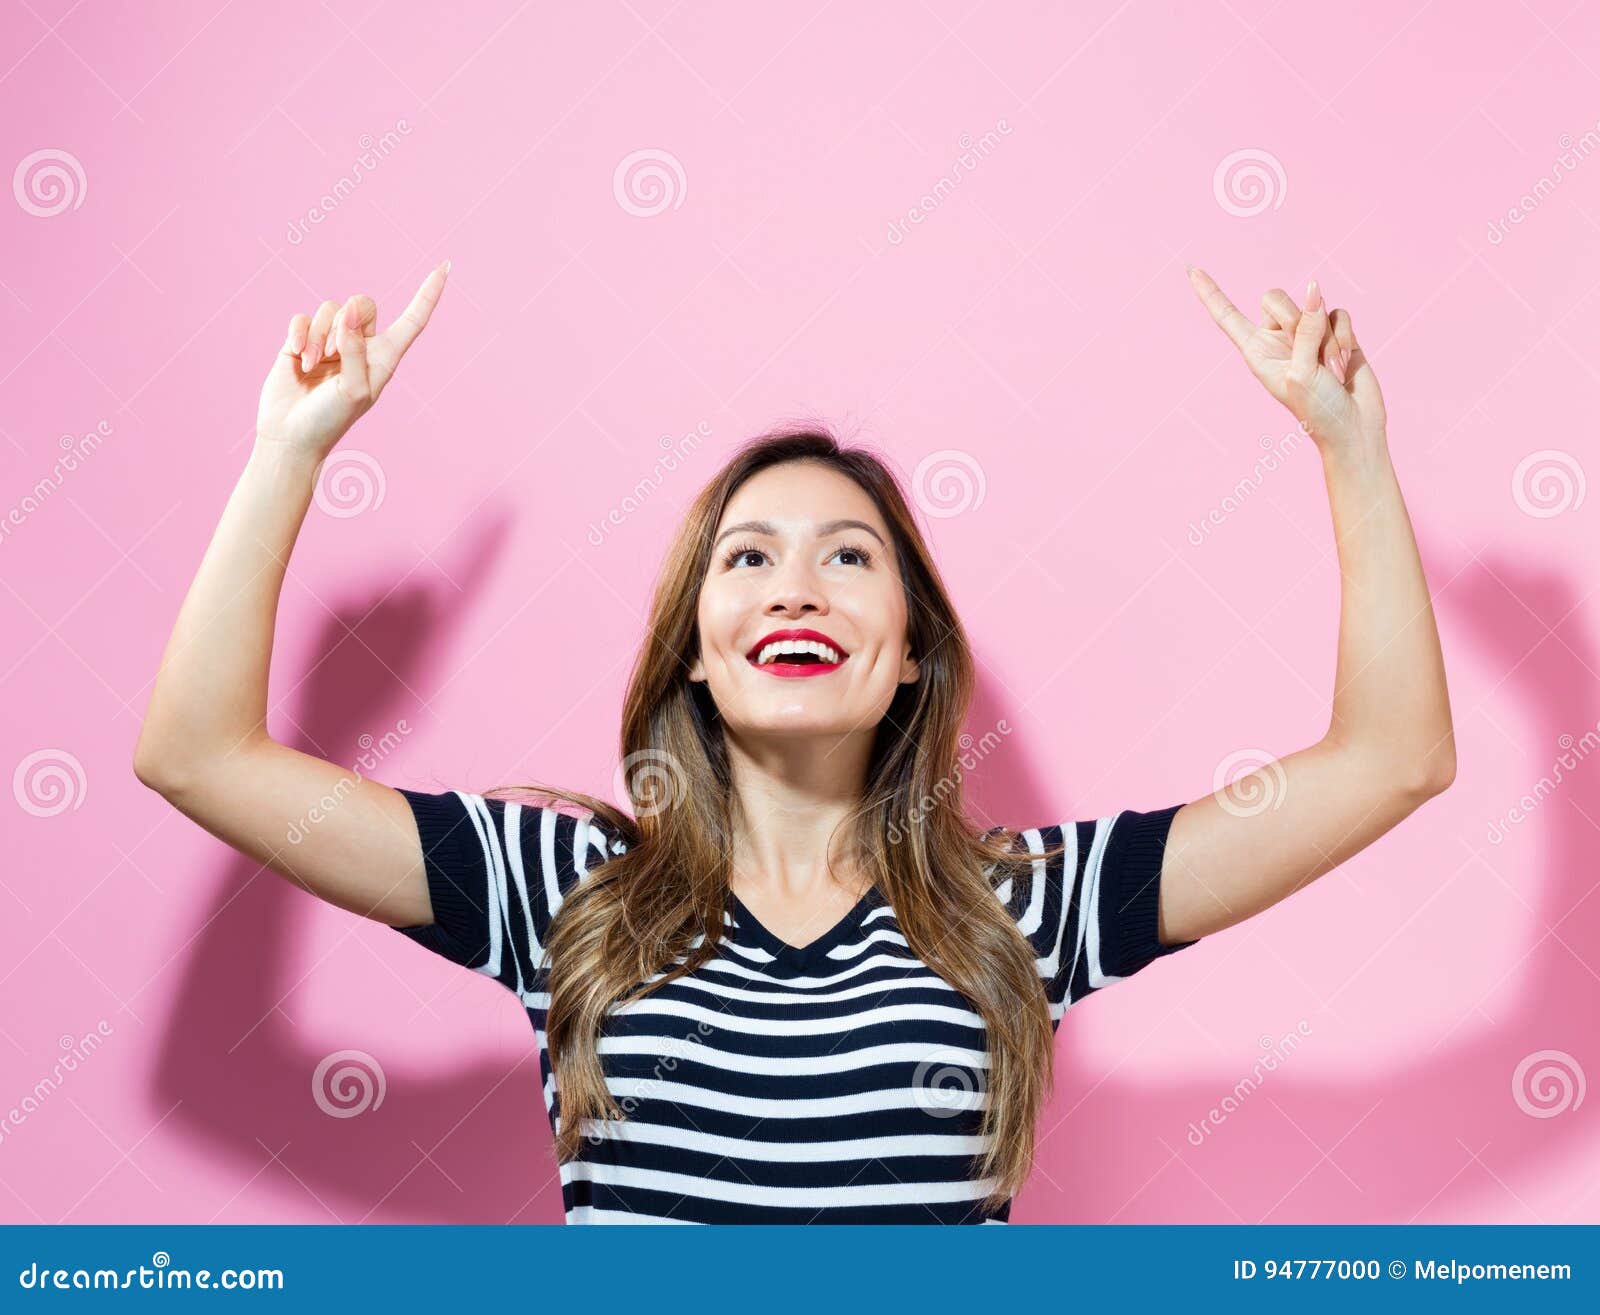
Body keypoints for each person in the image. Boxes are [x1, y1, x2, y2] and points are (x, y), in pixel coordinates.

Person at [133, 261, 1456, 1224]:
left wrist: (1350, 452)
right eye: (749, 558)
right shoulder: (564, 895)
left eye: (849, 555)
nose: (796, 587)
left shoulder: (1018, 916)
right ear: (698, 653)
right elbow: (197, 755)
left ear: (912, 652)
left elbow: (1392, 757)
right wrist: (290, 454)